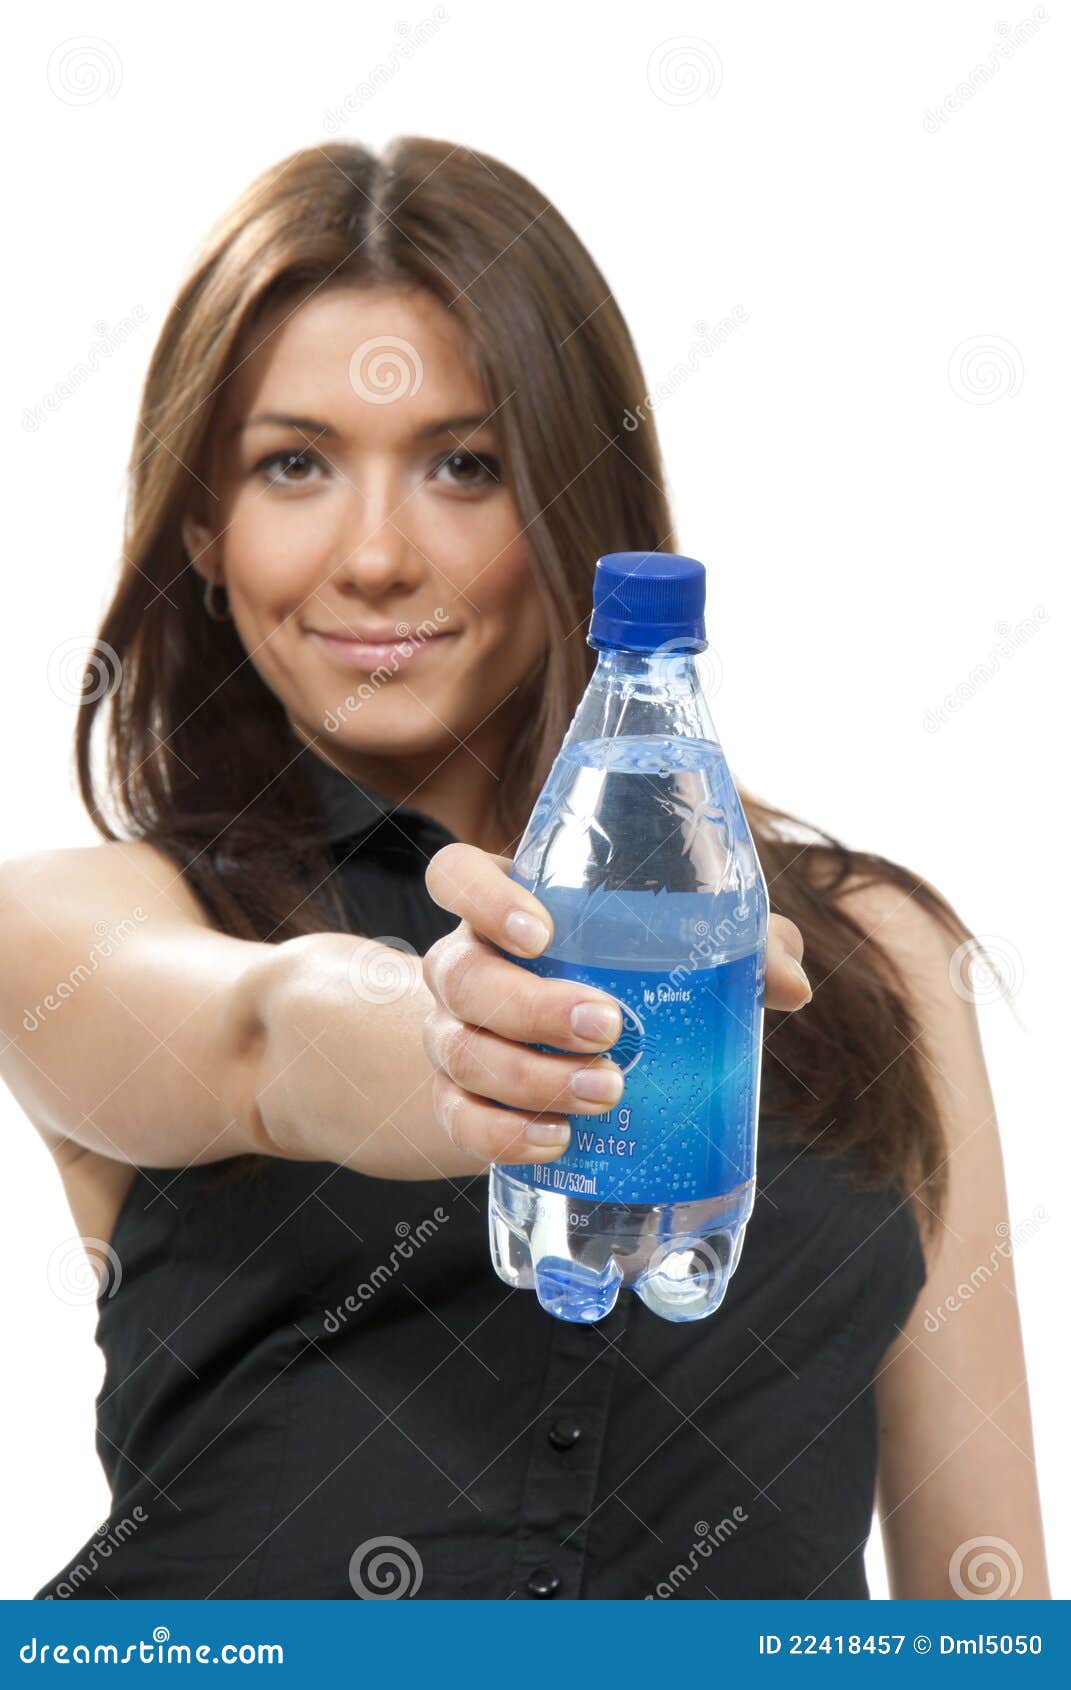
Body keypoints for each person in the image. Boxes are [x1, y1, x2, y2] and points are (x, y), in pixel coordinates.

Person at [2, 138, 1048, 1601]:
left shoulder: (870, 957)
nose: (375, 554)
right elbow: (263, 1031)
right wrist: (455, 1045)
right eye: (291, 463)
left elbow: (981, 1600)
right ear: (204, 527)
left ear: (574, 505)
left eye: (465, 465)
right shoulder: (84, 924)